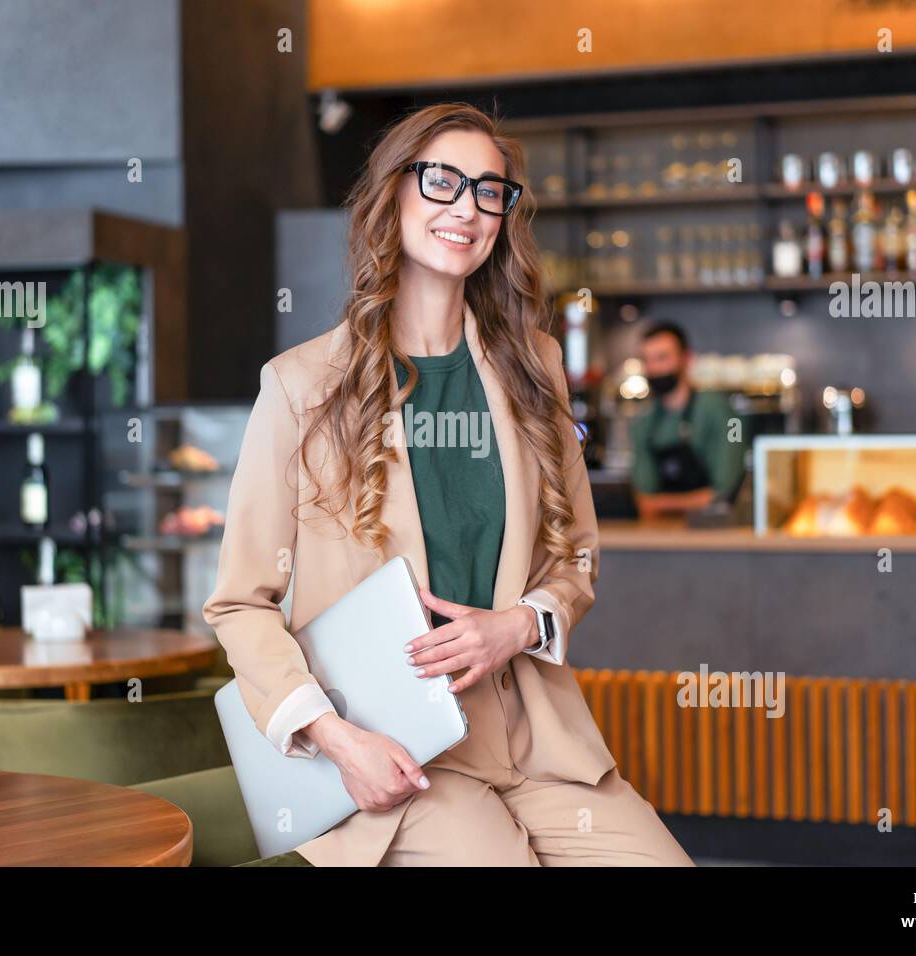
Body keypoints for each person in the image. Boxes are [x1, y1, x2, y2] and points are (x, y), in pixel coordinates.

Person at [202, 103, 693, 867]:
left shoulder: (536, 368)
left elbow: (578, 558)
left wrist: (521, 626)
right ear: (392, 194)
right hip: (397, 751)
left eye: (489, 190)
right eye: (442, 182)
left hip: (537, 742)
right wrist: (334, 737)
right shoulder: (302, 388)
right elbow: (241, 601)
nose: (467, 207)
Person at [629, 321, 746, 520]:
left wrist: (660, 504)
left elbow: (723, 493)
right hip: (663, 535)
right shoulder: (644, 422)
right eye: (647, 360)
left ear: (687, 358)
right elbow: (643, 498)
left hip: (718, 532)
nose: (654, 369)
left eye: (662, 358)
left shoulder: (721, 413)